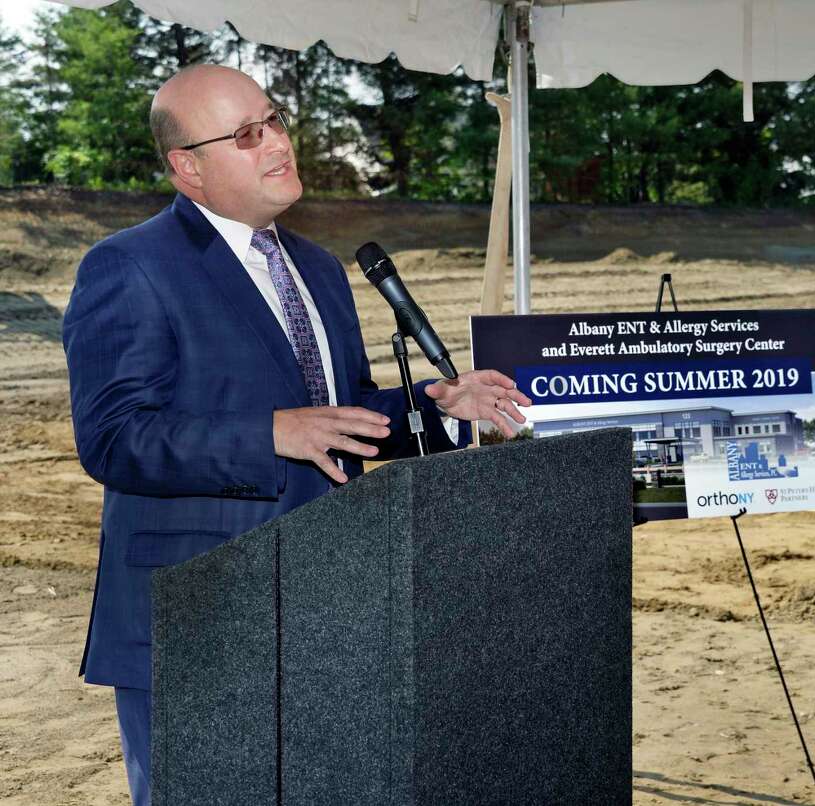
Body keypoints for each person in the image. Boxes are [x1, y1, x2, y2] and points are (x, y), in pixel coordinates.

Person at [61, 64, 531, 806]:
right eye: (246, 135)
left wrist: (440, 406)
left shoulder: (316, 266)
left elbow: (339, 419)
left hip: (326, 610)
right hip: (200, 619)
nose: (277, 142)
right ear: (189, 167)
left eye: (275, 120)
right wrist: (270, 432)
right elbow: (115, 438)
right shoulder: (129, 266)